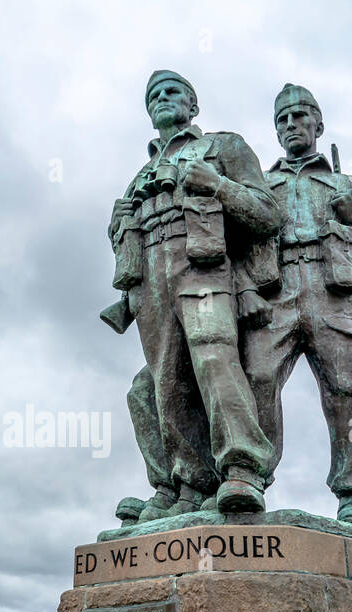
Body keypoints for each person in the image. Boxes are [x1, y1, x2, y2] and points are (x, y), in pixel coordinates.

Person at [108, 70, 279, 520]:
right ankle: (188, 484)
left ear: (193, 105)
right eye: (155, 96)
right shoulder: (140, 175)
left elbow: (267, 215)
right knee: (165, 382)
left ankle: (242, 469)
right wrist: (118, 224)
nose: (163, 99)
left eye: (173, 92)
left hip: (203, 265)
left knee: (214, 357)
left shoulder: (223, 147)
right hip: (150, 279)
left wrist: (218, 185)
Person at [240, 84, 352, 528]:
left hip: (334, 294)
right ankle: (250, 479)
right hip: (276, 293)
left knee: (349, 395)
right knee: (256, 380)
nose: (290, 126)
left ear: (318, 124)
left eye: (299, 117)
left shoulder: (349, 185)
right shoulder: (260, 185)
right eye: (282, 120)